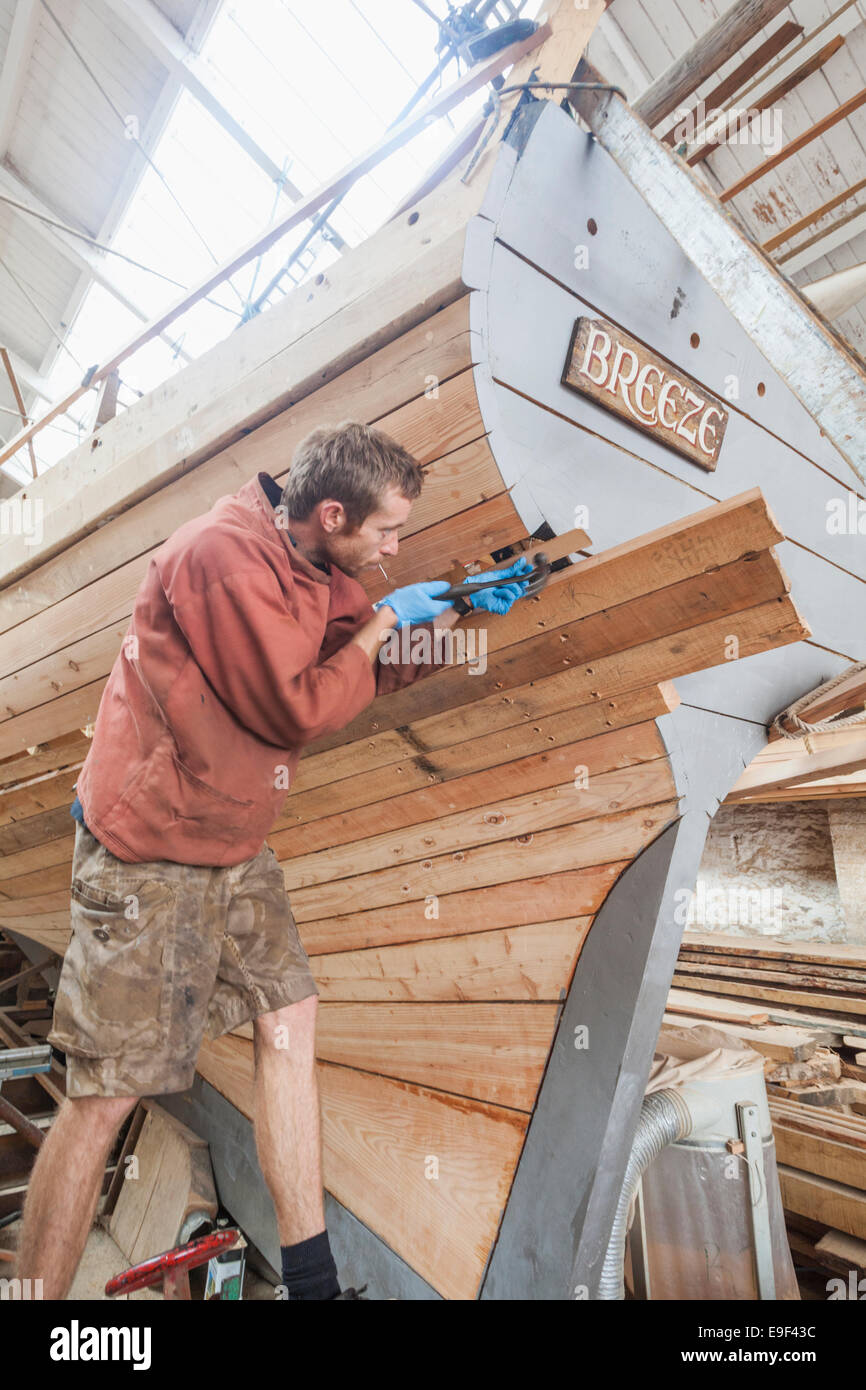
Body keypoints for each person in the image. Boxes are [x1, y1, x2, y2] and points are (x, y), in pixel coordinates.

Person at [16, 420, 532, 1300]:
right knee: (105, 1097)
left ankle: (315, 1285)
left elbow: (358, 663)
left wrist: (452, 614)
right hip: (148, 853)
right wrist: (378, 631)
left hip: (232, 839)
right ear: (332, 513)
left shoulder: (318, 565)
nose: (395, 547)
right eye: (387, 532)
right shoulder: (219, 556)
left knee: (290, 1019)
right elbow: (298, 707)